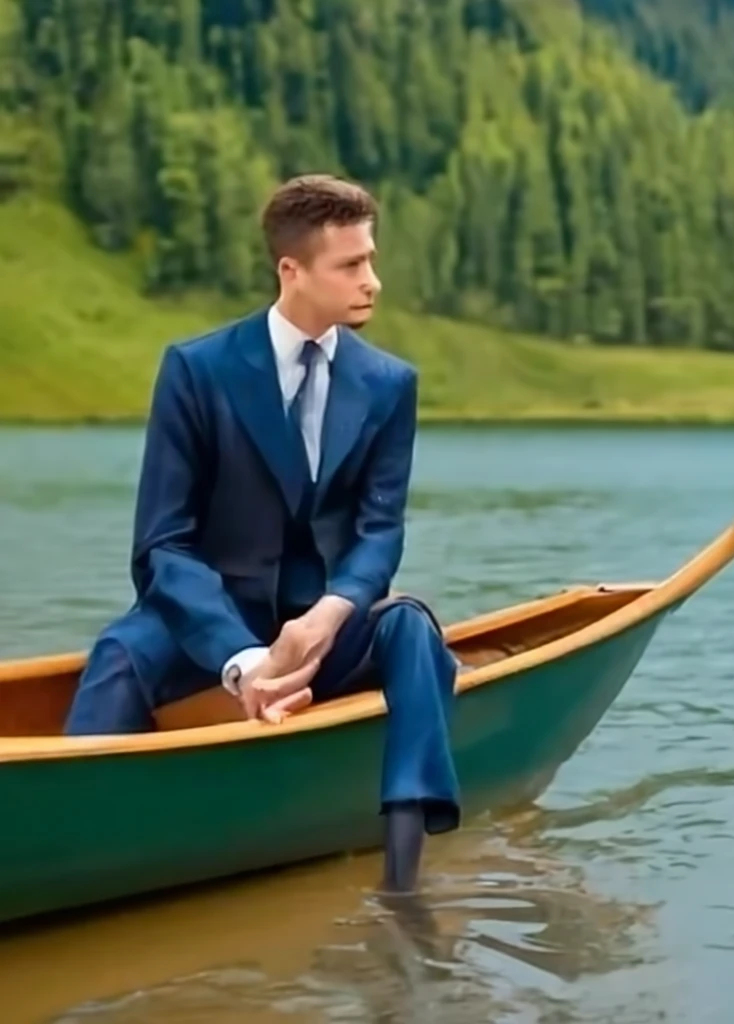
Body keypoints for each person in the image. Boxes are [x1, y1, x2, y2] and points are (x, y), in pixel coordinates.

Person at [63, 174, 460, 892]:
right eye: (351, 265)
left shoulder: (389, 384)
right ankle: (65, 849)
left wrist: (332, 613)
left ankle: (404, 877)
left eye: (370, 258)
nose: (373, 280)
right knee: (120, 653)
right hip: (207, 624)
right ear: (292, 269)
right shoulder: (197, 370)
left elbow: (379, 532)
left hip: (323, 625)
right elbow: (162, 546)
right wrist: (242, 659)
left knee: (412, 630)